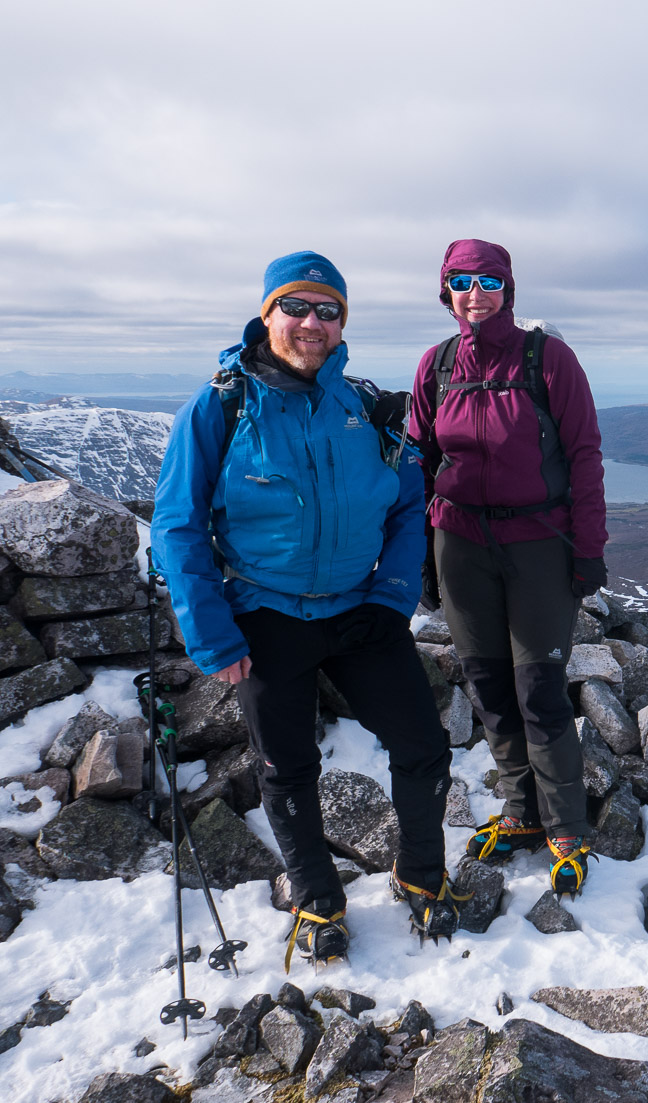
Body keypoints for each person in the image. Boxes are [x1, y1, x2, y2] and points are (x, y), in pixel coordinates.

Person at [152, 250, 464, 968]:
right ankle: (317, 898)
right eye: (295, 307)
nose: (311, 323)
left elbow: (409, 504)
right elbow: (177, 524)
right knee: (286, 766)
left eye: (328, 310)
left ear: (342, 324)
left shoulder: (366, 407)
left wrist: (392, 596)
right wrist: (211, 632)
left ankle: (420, 872)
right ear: (268, 315)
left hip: (361, 611)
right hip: (266, 612)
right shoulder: (222, 406)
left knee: (423, 745)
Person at [409, 238, 608, 897]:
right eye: (462, 281)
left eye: (489, 281)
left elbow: (583, 454)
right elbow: (419, 463)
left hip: (538, 545)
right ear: (446, 290)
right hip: (459, 546)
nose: (476, 293)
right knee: (490, 687)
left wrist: (588, 548)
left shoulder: (547, 358)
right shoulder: (436, 365)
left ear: (509, 290)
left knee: (539, 689)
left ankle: (567, 827)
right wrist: (422, 554)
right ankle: (522, 810)